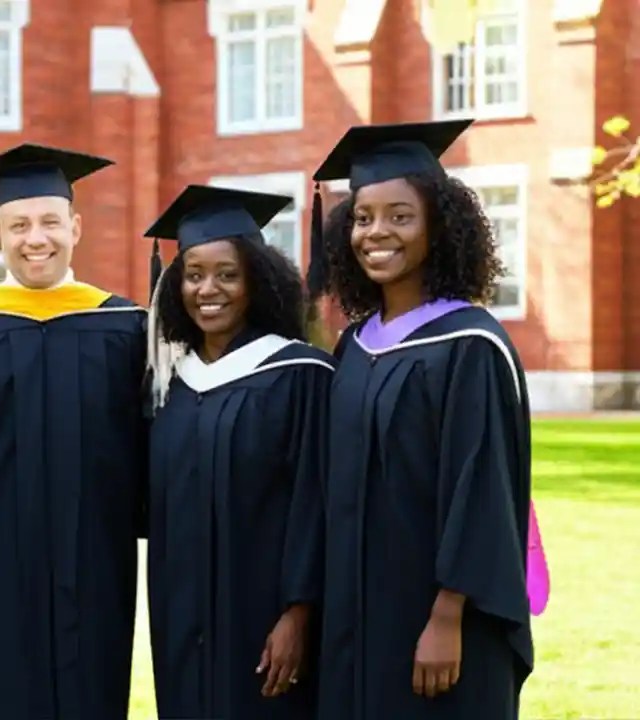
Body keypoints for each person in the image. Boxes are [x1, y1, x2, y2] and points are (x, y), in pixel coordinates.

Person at [308, 119, 534, 720]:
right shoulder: (355, 346)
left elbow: (480, 488)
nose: (376, 232)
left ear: (439, 226)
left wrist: (447, 615)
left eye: (400, 216)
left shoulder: (470, 345)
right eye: (362, 217)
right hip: (357, 611)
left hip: (436, 618)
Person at [0, 143, 148, 720]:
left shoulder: (124, 326)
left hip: (96, 556)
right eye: (20, 224)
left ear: (75, 227)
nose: (38, 238)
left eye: (51, 222)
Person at [143, 185, 332, 720]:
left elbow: (314, 502)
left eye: (227, 274)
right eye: (194, 274)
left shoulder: (300, 375)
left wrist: (299, 613)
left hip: (265, 617)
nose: (209, 289)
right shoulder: (168, 384)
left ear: (257, 280)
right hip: (180, 616)